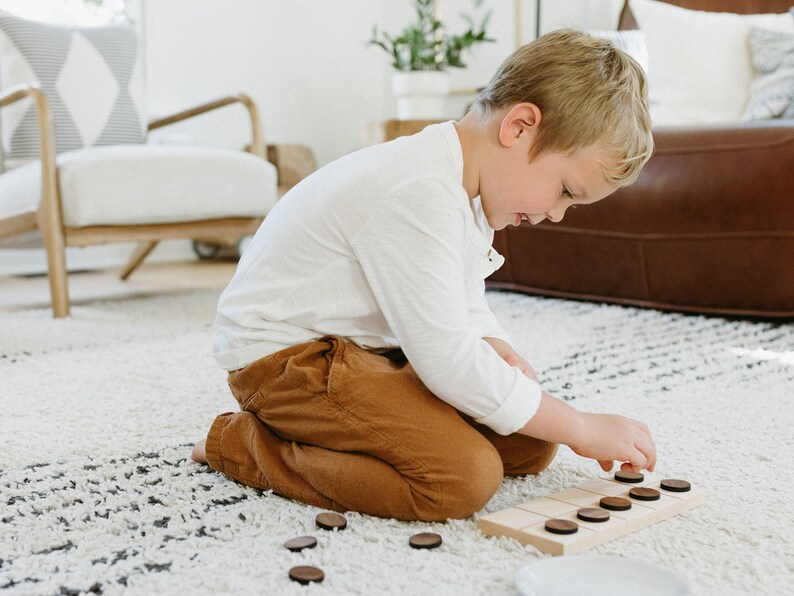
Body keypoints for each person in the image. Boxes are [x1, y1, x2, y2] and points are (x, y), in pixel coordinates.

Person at [192, 29, 656, 522]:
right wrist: (581, 426)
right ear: (519, 127)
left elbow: (459, 295)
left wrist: (493, 344)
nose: (558, 214)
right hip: (286, 360)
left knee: (530, 444)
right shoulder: (418, 189)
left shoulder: (465, 185)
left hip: (360, 348)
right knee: (460, 479)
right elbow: (449, 361)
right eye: (565, 190)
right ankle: (241, 445)